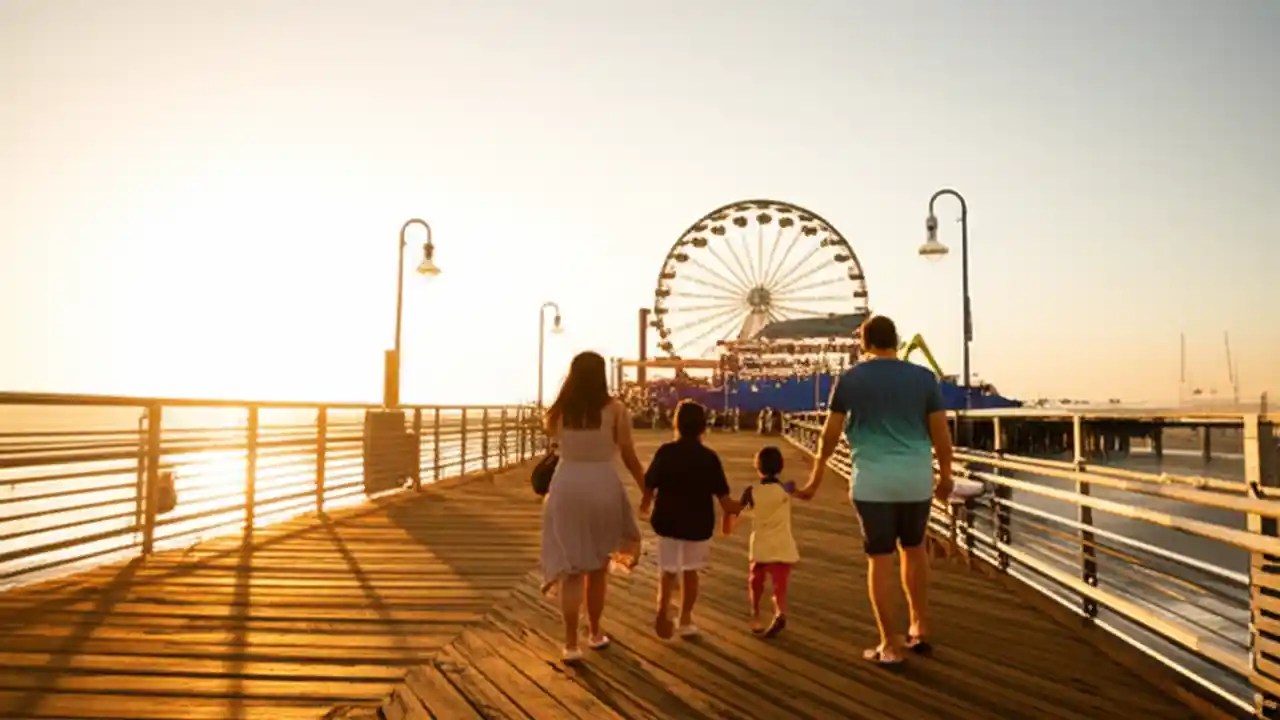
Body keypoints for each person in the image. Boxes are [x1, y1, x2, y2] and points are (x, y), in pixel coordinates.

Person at [796, 315, 954, 667]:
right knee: (914, 550)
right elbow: (941, 435)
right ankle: (920, 627)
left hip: (872, 483)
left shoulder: (851, 379)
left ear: (864, 342)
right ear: (896, 341)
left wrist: (816, 477)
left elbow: (830, 434)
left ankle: (890, 645)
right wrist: (945, 476)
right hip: (915, 481)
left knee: (880, 559)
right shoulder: (924, 379)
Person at [540, 351, 645, 664]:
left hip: (567, 484)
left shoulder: (558, 412)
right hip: (602, 483)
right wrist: (645, 488)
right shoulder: (615, 410)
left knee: (572, 569)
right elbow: (627, 454)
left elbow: (554, 441)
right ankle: (595, 632)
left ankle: (570, 643)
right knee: (598, 568)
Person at [639, 400, 737, 639]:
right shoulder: (709, 458)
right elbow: (724, 499)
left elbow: (649, 484)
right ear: (703, 427)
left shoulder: (666, 452)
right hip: (697, 523)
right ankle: (685, 619)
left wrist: (645, 504)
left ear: (677, 424)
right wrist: (740, 506)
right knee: (690, 572)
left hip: (668, 521)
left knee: (668, 571)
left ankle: (663, 608)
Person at [724, 446, 798, 638]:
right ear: (780, 467)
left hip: (761, 544)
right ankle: (780, 611)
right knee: (779, 585)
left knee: (756, 581)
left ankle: (755, 614)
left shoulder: (752, 491)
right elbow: (804, 493)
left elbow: (737, 509)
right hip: (783, 544)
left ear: (758, 467)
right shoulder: (786, 488)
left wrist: (727, 518)